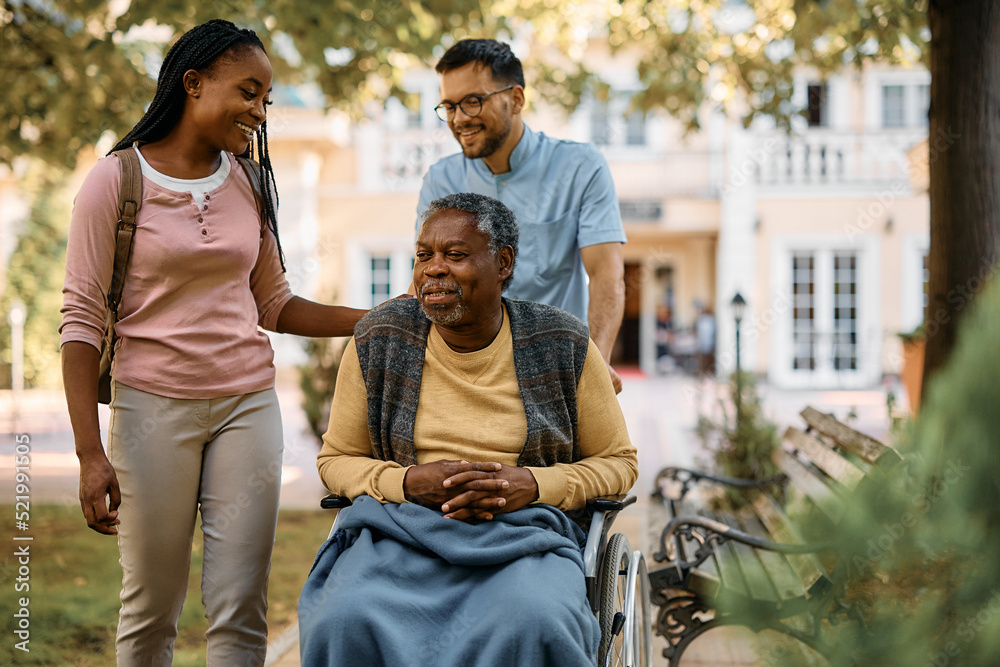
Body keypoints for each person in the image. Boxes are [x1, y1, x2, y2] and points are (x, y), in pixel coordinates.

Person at [59, 20, 367, 666]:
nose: (259, 111)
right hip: (151, 410)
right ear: (193, 84)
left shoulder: (249, 185)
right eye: (248, 92)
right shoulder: (115, 182)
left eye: (266, 99)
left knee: (240, 606)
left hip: (247, 407)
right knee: (151, 608)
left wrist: (373, 318)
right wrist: (90, 452)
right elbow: (82, 322)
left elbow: (275, 303)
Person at [298, 193, 637, 666]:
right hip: (401, 532)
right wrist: (406, 482)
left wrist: (534, 485)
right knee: (343, 616)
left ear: (502, 263)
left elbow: (619, 463)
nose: (433, 269)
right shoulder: (379, 338)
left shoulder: (563, 341)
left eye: (454, 255)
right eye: (424, 256)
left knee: (533, 619)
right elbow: (335, 461)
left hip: (524, 538)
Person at [417, 39, 627, 392]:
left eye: (473, 102)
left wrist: (597, 362)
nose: (459, 119)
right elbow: (427, 279)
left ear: (515, 99)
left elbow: (606, 273)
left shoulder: (580, 167)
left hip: (556, 374)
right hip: (465, 378)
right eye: (449, 106)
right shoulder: (441, 180)